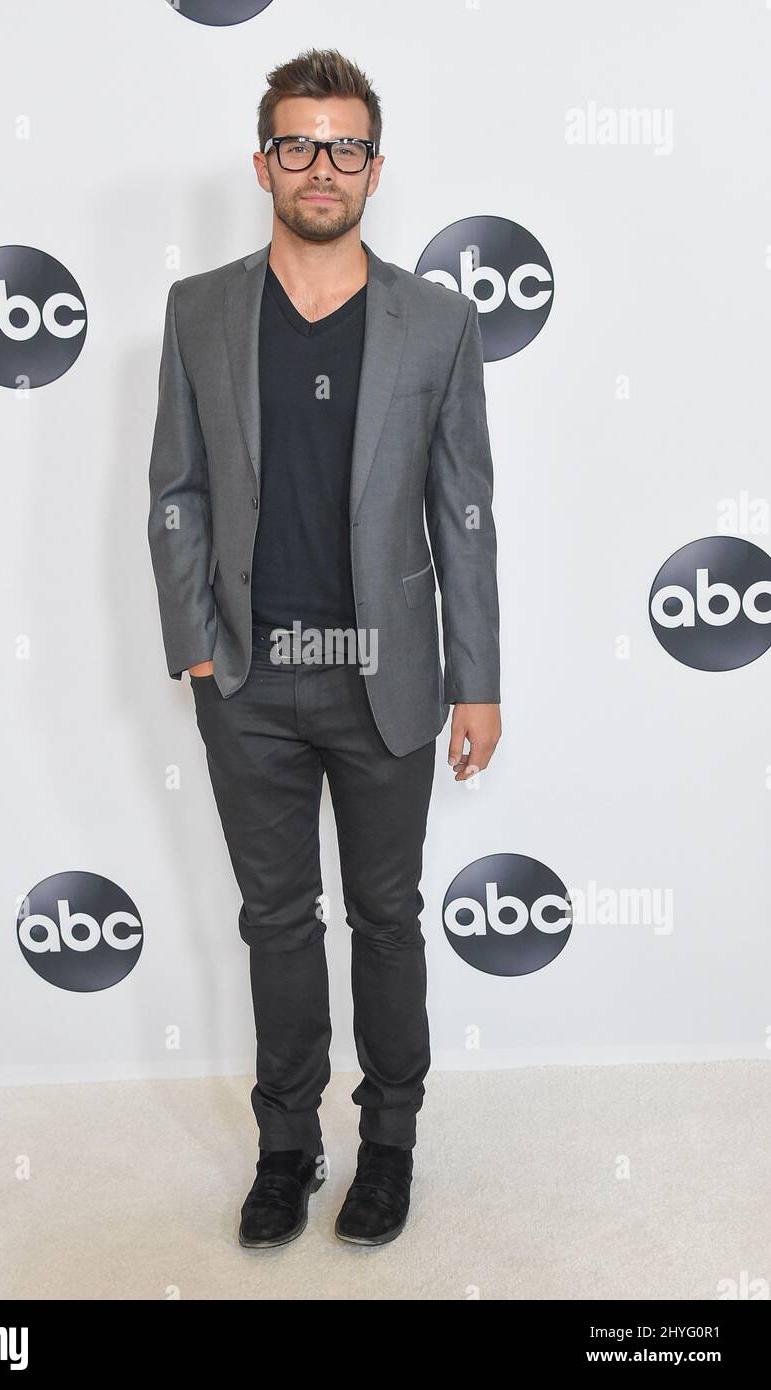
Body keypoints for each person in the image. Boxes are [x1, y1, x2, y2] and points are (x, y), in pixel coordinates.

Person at [147, 47, 501, 1249]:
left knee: (387, 917)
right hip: (248, 678)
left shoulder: (439, 321)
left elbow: (465, 510)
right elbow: (176, 492)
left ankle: (389, 1143)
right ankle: (286, 1148)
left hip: (384, 675)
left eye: (345, 145)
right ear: (264, 161)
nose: (321, 166)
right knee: (276, 921)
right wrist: (197, 648)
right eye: (298, 143)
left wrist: (479, 681)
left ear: (375, 168)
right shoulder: (198, 309)